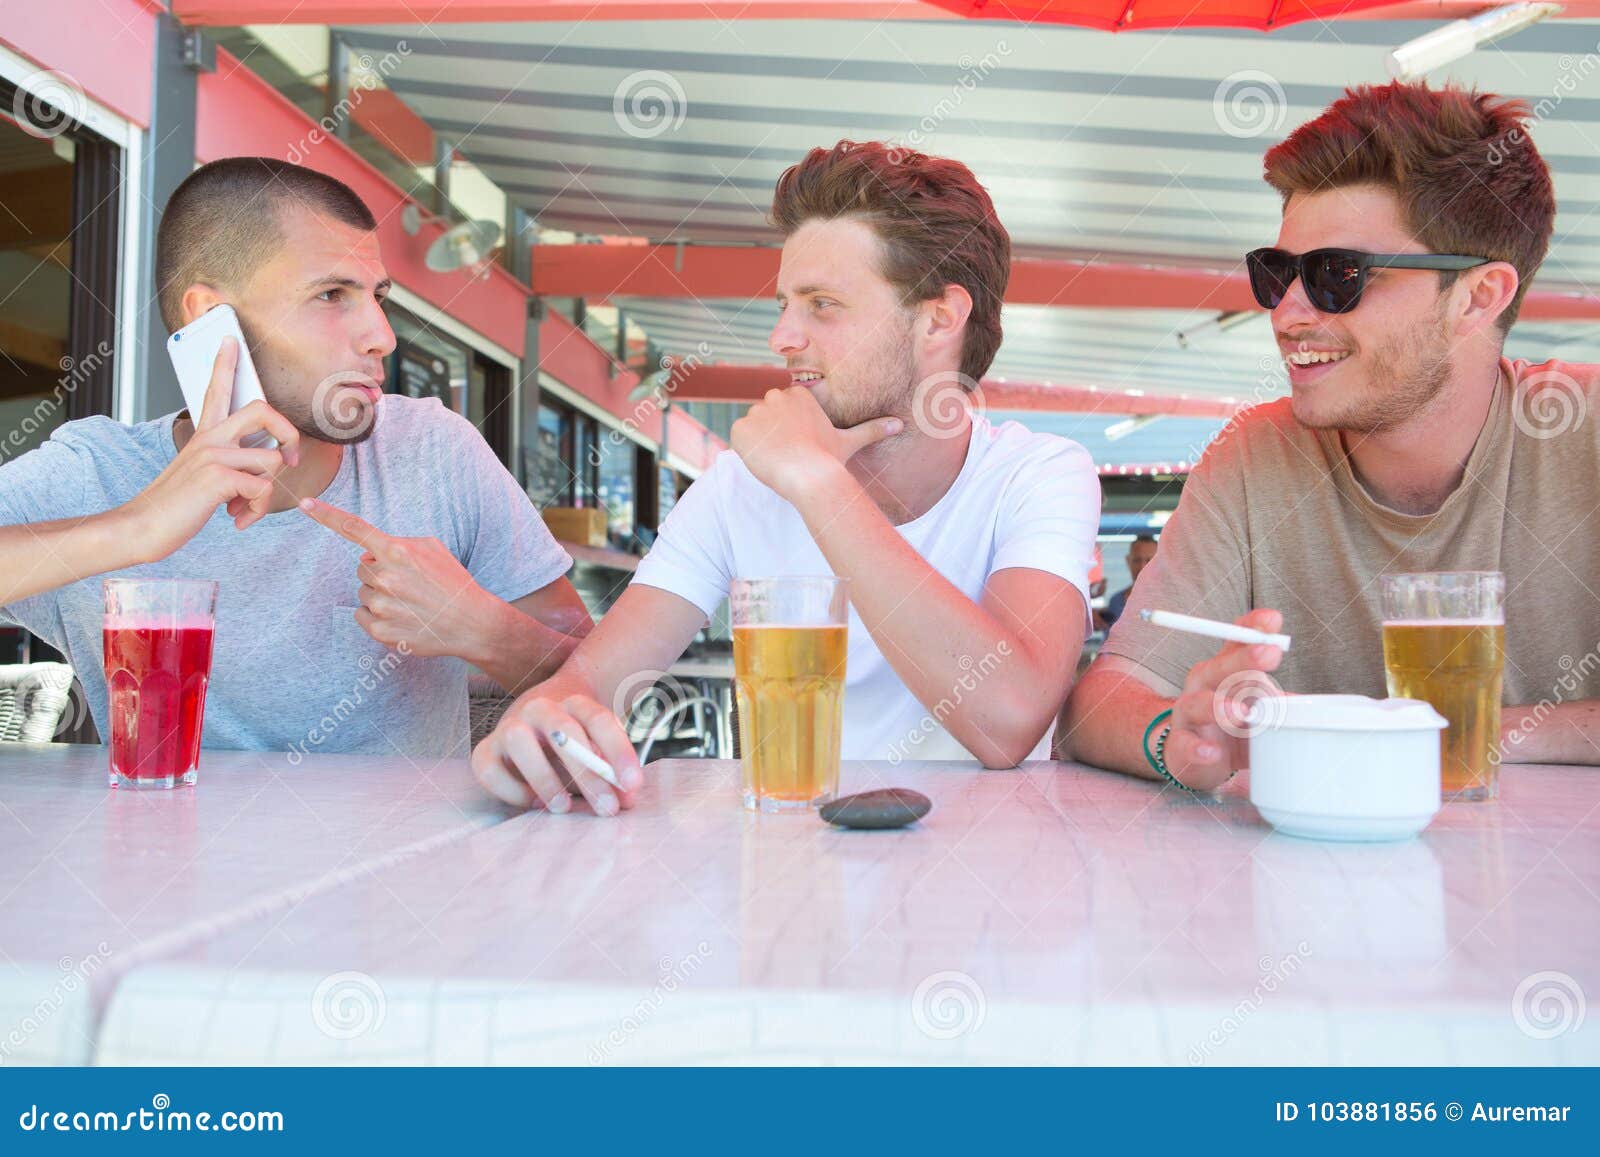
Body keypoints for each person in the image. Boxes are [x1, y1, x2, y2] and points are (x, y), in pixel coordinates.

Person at [473, 140, 1101, 816]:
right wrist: (537, 726)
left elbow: (1007, 719)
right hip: (789, 876)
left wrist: (817, 481)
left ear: (939, 320)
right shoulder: (735, 489)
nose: (781, 336)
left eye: (822, 304)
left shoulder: (1037, 474)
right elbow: (589, 684)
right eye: (784, 304)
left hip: (991, 889)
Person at [1062, 81, 1600, 789]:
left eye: (1337, 275)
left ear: (1477, 297)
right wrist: (1178, 738)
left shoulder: (1581, 431)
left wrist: (1451, 736)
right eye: (1278, 273)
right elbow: (1103, 698)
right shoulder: (1254, 455)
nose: (1287, 313)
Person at [0, 157, 590, 760]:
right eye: (332, 294)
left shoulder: (433, 451)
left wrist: (484, 629)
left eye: (378, 296)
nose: (381, 335)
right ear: (210, 318)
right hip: (162, 854)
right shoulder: (98, 474)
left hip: (416, 855)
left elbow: (602, 687)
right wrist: (137, 528)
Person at [1101, 535, 1158, 628]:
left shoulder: (1170, 601)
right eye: (1137, 560)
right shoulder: (1116, 601)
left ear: (1158, 563)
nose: (1142, 567)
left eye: (1149, 560)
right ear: (1128, 561)